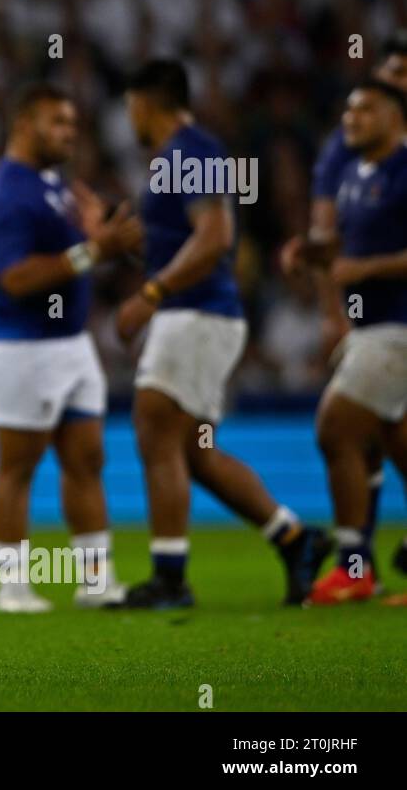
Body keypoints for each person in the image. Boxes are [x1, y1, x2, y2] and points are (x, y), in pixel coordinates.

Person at [113, 59, 329, 608]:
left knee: (153, 427)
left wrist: (150, 295)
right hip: (198, 315)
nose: (128, 118)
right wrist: (129, 246)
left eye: (130, 106)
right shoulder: (174, 160)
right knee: (195, 453)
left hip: (197, 314)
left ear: (145, 101)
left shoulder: (194, 151)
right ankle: (295, 539)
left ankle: (170, 579)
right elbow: (187, 240)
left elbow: (215, 239)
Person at [0, 82, 143, 612]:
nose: (69, 133)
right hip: (20, 347)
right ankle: (13, 586)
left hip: (71, 342)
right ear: (24, 125)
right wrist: (95, 249)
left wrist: (97, 237)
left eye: (73, 123)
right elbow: (15, 279)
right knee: (18, 466)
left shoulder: (57, 185)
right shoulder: (7, 193)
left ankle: (96, 581)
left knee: (87, 459)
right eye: (57, 123)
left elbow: (79, 252)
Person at [282, 80, 407, 605]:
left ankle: (354, 567)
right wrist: (312, 253)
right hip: (370, 327)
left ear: (395, 116)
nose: (351, 118)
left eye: (365, 109)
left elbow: (368, 257)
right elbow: (346, 245)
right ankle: (358, 568)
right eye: (348, 109)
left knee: (335, 429)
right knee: (396, 445)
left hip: (398, 328)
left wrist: (366, 268)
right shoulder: (356, 176)